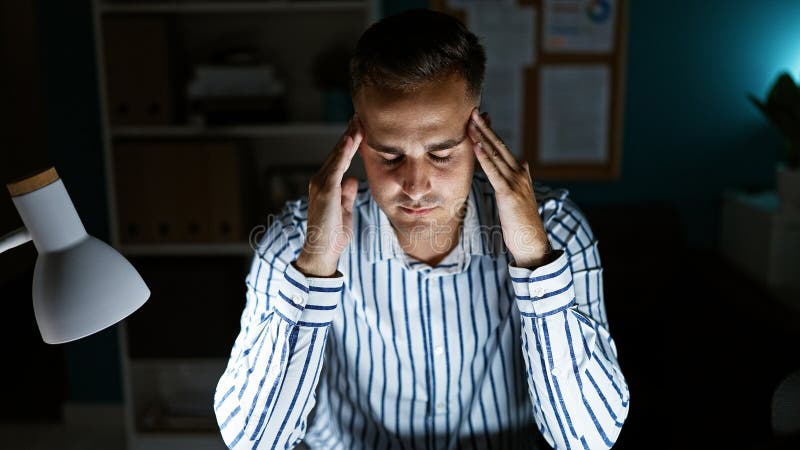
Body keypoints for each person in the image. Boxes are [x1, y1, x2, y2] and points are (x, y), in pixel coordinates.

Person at [214, 8, 629, 450]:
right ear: (357, 136)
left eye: (441, 154)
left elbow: (587, 439)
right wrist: (315, 269)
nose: (415, 186)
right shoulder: (294, 244)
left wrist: (534, 261)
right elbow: (253, 440)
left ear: (478, 133)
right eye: (390, 156)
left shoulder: (556, 230)